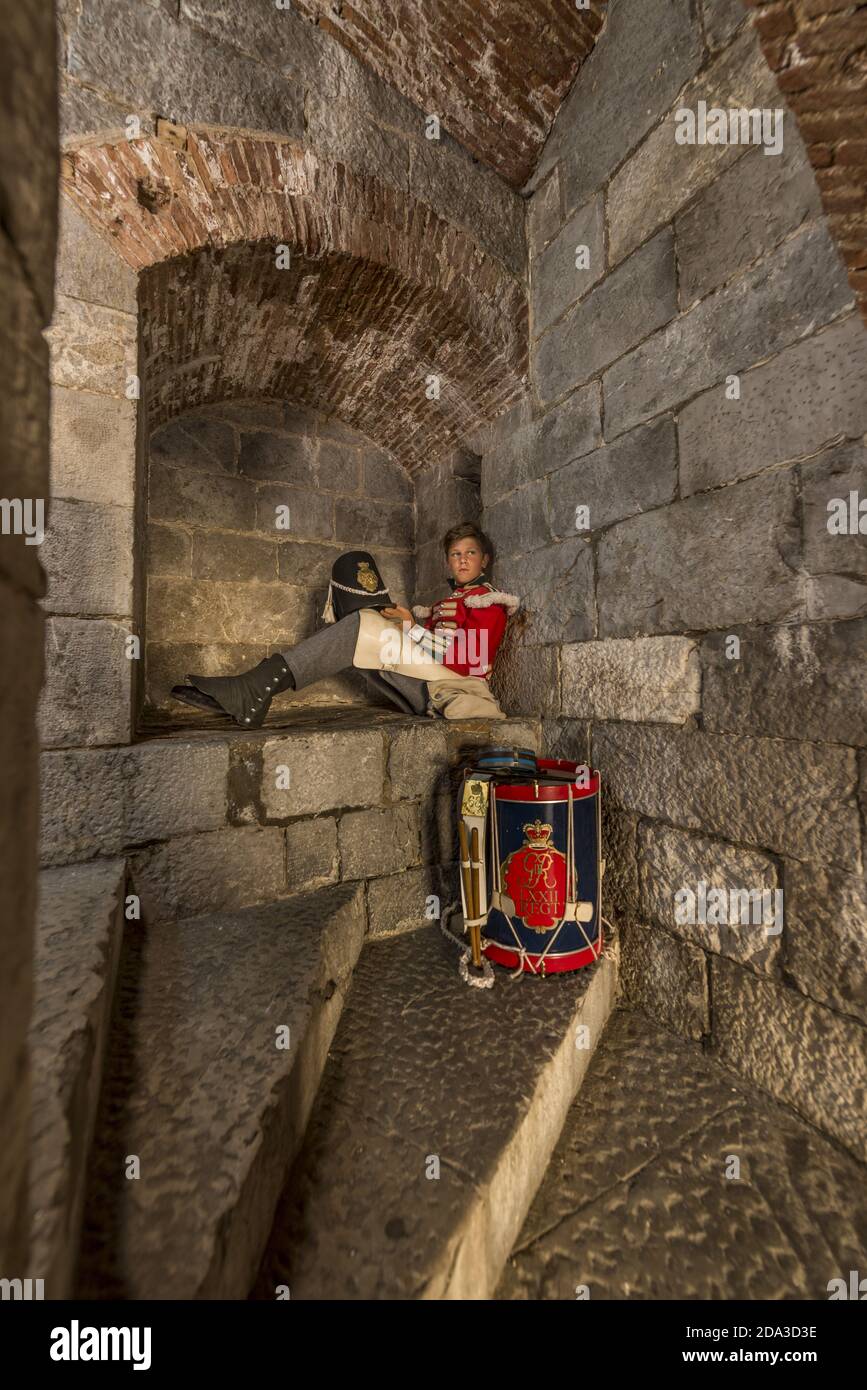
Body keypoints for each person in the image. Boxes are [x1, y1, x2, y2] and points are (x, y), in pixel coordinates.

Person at [171, 523, 519, 727]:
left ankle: (254, 689)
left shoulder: (487, 603)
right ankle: (255, 689)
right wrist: (400, 624)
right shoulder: (448, 601)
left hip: (450, 690)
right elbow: (432, 648)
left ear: (484, 559)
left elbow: (467, 661)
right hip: (430, 683)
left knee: (362, 627)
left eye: (470, 553)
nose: (462, 560)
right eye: (456, 554)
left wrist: (411, 627)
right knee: (367, 623)